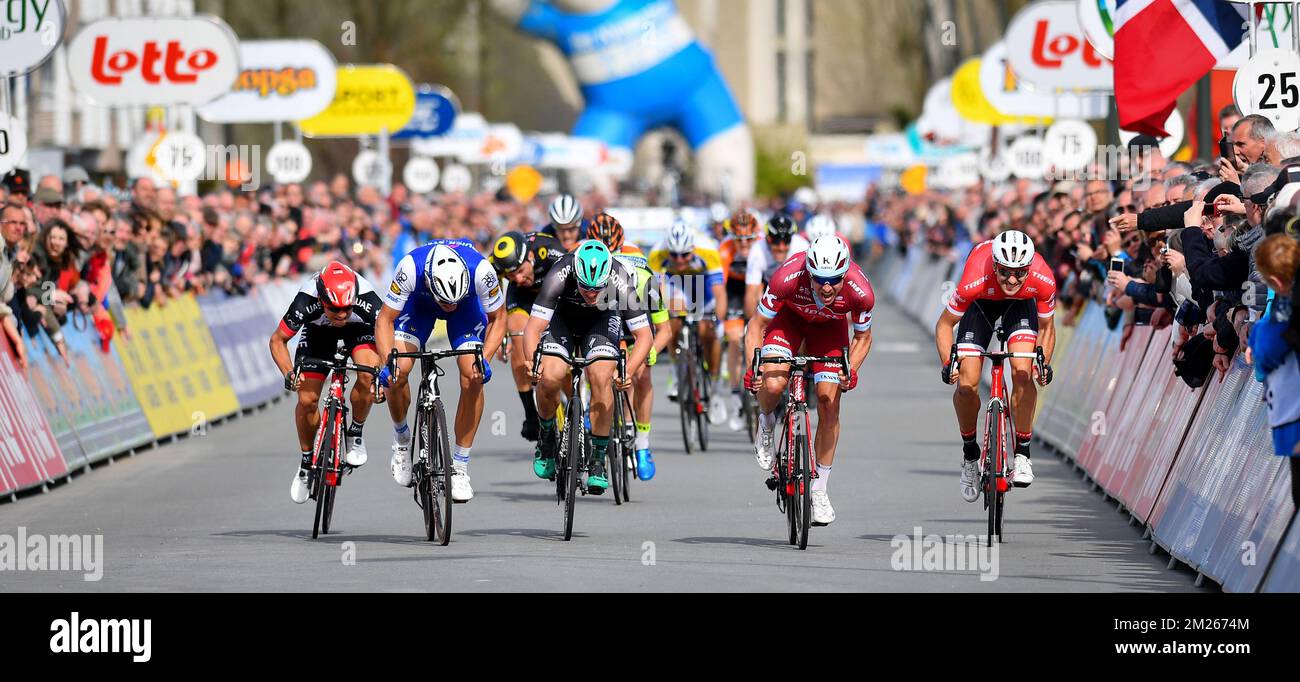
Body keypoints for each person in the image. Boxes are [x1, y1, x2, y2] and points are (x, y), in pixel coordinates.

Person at [743, 236, 875, 526]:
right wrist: (754, 365)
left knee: (829, 401)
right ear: (809, 272)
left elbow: (863, 337)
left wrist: (850, 368)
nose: (826, 288)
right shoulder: (787, 277)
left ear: (845, 272)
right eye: (819, 280)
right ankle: (765, 421)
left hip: (829, 330)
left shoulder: (860, 291)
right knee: (774, 382)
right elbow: (757, 324)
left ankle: (819, 490)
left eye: (834, 280)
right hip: (788, 322)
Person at [376, 240, 507, 503]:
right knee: (399, 370)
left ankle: (459, 466)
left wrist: (486, 359)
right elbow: (385, 319)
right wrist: (386, 360)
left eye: (452, 300)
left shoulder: (481, 270)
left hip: (468, 311)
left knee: (473, 376)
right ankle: (402, 439)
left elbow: (499, 318)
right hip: (418, 306)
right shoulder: (410, 268)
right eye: (445, 301)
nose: (449, 305)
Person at [522, 240, 654, 493]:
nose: (591, 294)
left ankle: (597, 460)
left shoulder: (620, 279)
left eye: (597, 289)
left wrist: (626, 372)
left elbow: (644, 336)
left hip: (602, 320)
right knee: (549, 377)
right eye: (585, 288)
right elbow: (533, 328)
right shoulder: (560, 272)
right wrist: (531, 362)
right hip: (563, 319)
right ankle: (547, 438)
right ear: (576, 275)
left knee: (601, 377)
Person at [934, 231, 1057, 502]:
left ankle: (1023, 454)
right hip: (981, 305)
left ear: (1029, 268)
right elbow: (944, 325)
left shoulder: (1042, 276)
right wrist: (947, 362)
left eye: (1019, 273)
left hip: (1020, 308)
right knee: (966, 384)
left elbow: (1047, 328)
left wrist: (1043, 363)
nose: (1012, 279)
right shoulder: (974, 276)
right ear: (994, 265)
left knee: (1023, 371)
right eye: (1005, 272)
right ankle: (970, 456)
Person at [269, 261, 383, 505]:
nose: (341, 314)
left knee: (366, 374)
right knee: (307, 400)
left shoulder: (367, 296)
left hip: (359, 331)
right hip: (318, 335)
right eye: (334, 309)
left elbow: (387, 335)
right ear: (321, 300)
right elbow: (277, 341)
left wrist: (382, 376)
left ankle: (355, 432)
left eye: (346, 308)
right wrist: (289, 373)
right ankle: (306, 460)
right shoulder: (305, 299)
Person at [589, 213, 672, 479]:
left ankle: (643, 445)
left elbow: (664, 331)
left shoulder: (644, 277)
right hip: (603, 317)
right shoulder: (585, 261)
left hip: (636, 321)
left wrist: (650, 352)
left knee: (641, 373)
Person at [490, 229, 568, 441]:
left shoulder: (549, 250)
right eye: (510, 275)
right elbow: (492, 307)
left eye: (520, 270)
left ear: (531, 257)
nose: (517, 277)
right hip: (522, 299)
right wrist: (499, 336)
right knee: (519, 337)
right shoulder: (495, 266)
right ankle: (531, 414)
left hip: (554, 295)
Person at [649, 219, 727, 418]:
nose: (679, 260)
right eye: (674, 255)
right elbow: (656, 292)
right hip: (677, 286)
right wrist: (663, 314)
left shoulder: (708, 250)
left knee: (708, 333)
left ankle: (715, 388)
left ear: (693, 248)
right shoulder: (658, 253)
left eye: (684, 254)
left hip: (704, 289)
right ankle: (676, 372)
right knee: (671, 323)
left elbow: (719, 293)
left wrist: (718, 321)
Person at [718, 210, 760, 430]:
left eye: (749, 239)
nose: (744, 244)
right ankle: (735, 398)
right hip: (734, 291)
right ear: (732, 237)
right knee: (734, 338)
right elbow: (719, 287)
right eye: (739, 239)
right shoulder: (725, 249)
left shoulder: (763, 247)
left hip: (758, 288)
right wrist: (719, 317)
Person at [743, 213, 809, 318]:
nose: (781, 247)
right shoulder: (757, 250)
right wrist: (752, 324)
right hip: (768, 290)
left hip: (795, 292)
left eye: (786, 241)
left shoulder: (802, 247)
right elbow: (751, 292)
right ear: (767, 239)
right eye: (776, 241)